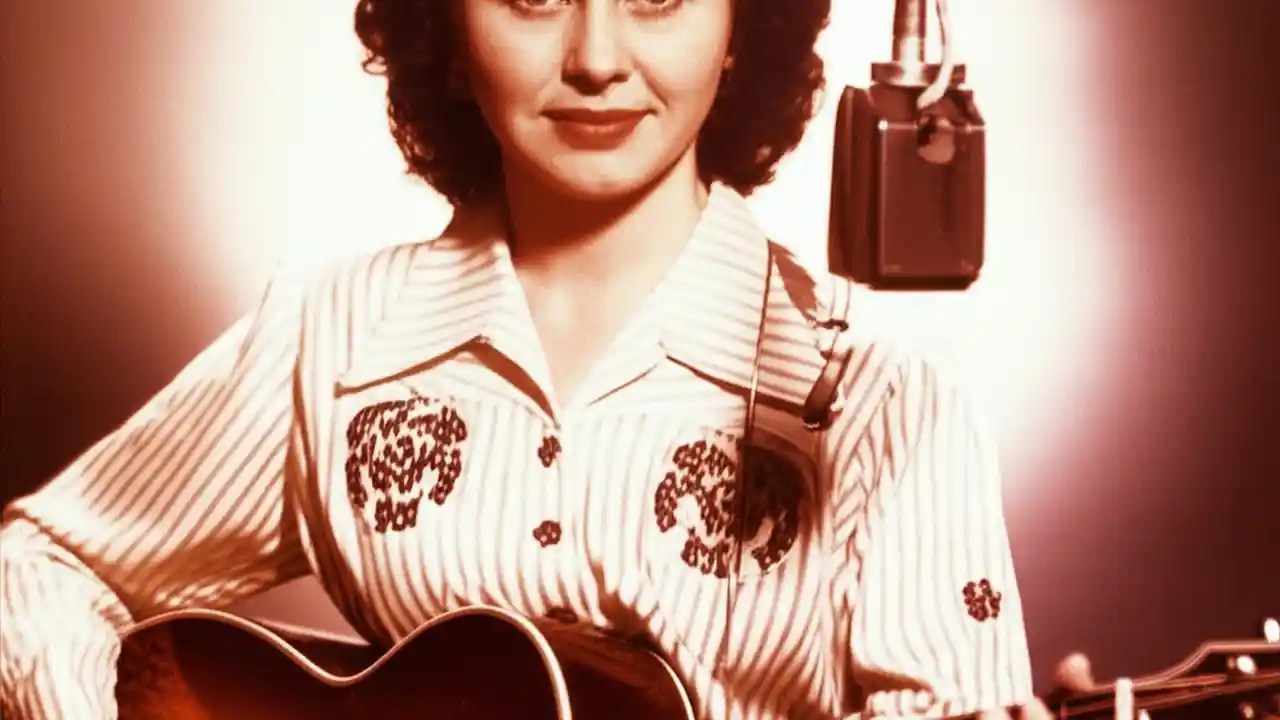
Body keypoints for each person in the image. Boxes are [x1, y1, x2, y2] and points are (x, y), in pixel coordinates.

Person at [0, 1, 1088, 717]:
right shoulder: (330, 335)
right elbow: (35, 566)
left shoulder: (883, 400)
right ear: (448, 28)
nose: (596, 60)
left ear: (738, 28)